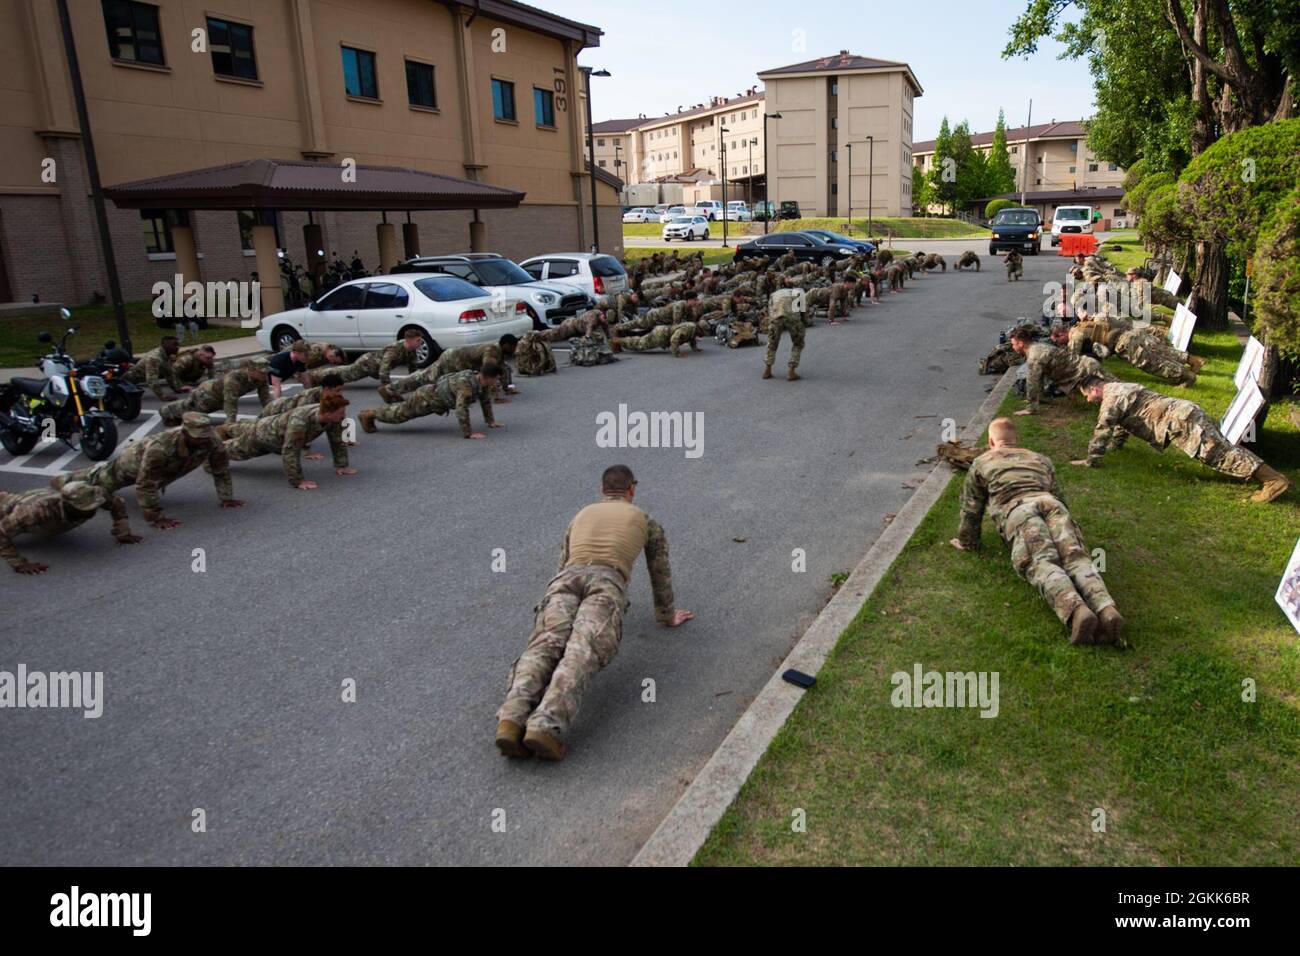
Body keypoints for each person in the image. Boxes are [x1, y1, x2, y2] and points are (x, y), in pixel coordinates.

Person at [495, 465, 693, 760]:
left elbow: (563, 561)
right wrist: (667, 615)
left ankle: (511, 718)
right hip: (606, 582)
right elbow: (659, 570)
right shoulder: (645, 520)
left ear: (603, 491)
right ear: (631, 490)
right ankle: (544, 726)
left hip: (566, 580)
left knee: (545, 644)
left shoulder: (582, 514)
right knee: (581, 650)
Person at [950, 418, 1124, 646]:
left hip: (1019, 510)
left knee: (1041, 561)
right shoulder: (1040, 459)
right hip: (1051, 504)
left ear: (991, 441)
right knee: (1076, 557)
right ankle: (1106, 608)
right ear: (1016, 440)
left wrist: (967, 542)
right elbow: (1059, 495)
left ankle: (1077, 611)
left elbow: (972, 508)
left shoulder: (982, 462)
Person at [1074, 377, 1291, 502]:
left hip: (1180, 422)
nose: (1088, 400)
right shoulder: (1119, 387)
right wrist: (1117, 445)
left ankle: (1273, 481)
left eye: (1087, 395)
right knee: (1222, 449)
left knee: (1218, 454)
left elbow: (1103, 428)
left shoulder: (1110, 399)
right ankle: (1269, 477)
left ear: (1095, 388)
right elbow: (1125, 421)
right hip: (1184, 412)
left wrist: (1091, 459)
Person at [52, 412, 241, 528]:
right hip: (132, 464)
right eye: (197, 436)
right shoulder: (160, 448)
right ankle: (64, 480)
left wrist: (227, 498)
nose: (202, 440)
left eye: (204, 435)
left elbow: (221, 469)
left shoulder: (211, 440)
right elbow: (145, 483)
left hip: (168, 468)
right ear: (185, 432)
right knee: (101, 483)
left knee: (102, 477)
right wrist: (156, 517)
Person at [1, 481, 141, 574]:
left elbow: (116, 504)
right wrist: (19, 564)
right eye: (85, 509)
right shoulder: (35, 512)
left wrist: (123, 532)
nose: (91, 512)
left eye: (93, 507)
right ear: (69, 506)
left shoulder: (95, 494)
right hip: (16, 504)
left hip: (43, 494)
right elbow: (2, 533)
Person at [221, 393, 354, 490]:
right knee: (233, 452)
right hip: (265, 435)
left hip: (277, 431)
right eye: (340, 412)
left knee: (242, 428)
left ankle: (228, 429)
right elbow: (290, 451)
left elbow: (337, 440)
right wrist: (298, 481)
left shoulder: (334, 418)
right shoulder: (300, 421)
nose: (344, 415)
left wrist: (342, 465)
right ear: (327, 413)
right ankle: (212, 448)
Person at [358, 365, 501, 439]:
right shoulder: (466, 386)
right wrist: (468, 433)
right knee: (399, 415)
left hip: (431, 396)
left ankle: (374, 413)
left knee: (400, 409)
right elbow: (461, 409)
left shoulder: (480, 381)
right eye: (496, 379)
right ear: (489, 377)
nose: (496, 382)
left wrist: (490, 421)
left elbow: (485, 400)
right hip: (426, 399)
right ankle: (370, 414)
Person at [1008, 327, 1106, 414]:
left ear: (1021, 344)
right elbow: (1040, 377)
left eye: (1013, 344)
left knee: (1113, 390)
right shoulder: (1037, 347)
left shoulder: (1034, 357)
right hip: (1085, 367)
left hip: (1087, 369)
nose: (1012, 347)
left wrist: (1030, 408)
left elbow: (1032, 383)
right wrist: (1039, 398)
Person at [159, 364, 270, 425]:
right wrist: (230, 424)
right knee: (190, 409)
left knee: (193, 411)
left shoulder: (261, 379)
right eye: (262, 372)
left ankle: (171, 412)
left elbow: (265, 398)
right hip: (207, 394)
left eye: (266, 372)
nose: (265, 375)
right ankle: (165, 410)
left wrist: (271, 412)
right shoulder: (234, 378)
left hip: (220, 397)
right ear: (251, 370)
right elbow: (230, 401)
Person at [124, 335, 188, 400]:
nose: (178, 347)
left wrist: (177, 389)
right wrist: (163, 397)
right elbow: (152, 381)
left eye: (178, 345)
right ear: (166, 345)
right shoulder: (154, 358)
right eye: (175, 345)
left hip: (142, 377)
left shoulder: (167, 355)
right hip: (130, 378)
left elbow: (169, 374)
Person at [763, 287, 806, 380]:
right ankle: (791, 370)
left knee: (772, 343)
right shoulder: (799, 293)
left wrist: (773, 322)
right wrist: (803, 323)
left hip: (775, 318)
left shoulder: (774, 294)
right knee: (798, 343)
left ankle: (767, 369)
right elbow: (802, 311)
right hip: (792, 318)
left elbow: (770, 310)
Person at [259, 372, 345, 417]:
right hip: (275, 409)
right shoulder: (307, 398)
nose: (340, 393)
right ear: (326, 389)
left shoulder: (333, 396)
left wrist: (347, 437)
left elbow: (339, 415)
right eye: (337, 390)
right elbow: (298, 419)